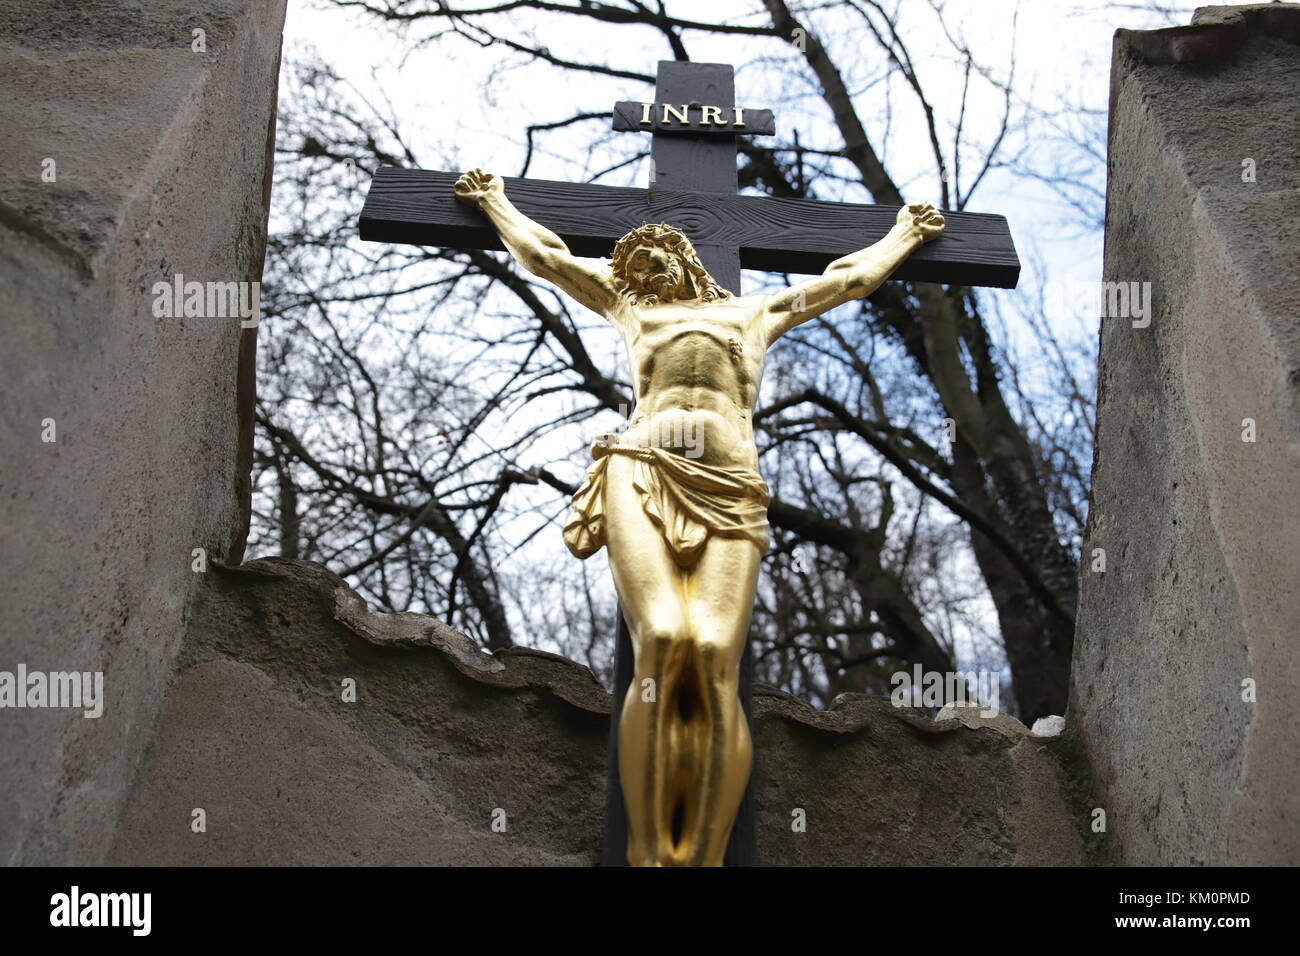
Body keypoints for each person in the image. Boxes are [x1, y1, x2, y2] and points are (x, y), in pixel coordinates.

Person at [454, 168, 944, 865]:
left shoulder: (753, 314)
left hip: (731, 486)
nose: (635, 274)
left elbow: (846, 279)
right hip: (641, 467)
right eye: (626, 268)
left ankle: (705, 855)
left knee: (712, 654)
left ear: (680, 257)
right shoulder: (632, 313)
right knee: (660, 640)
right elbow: (547, 256)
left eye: (645, 261)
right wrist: (494, 202)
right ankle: (649, 852)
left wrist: (902, 233)